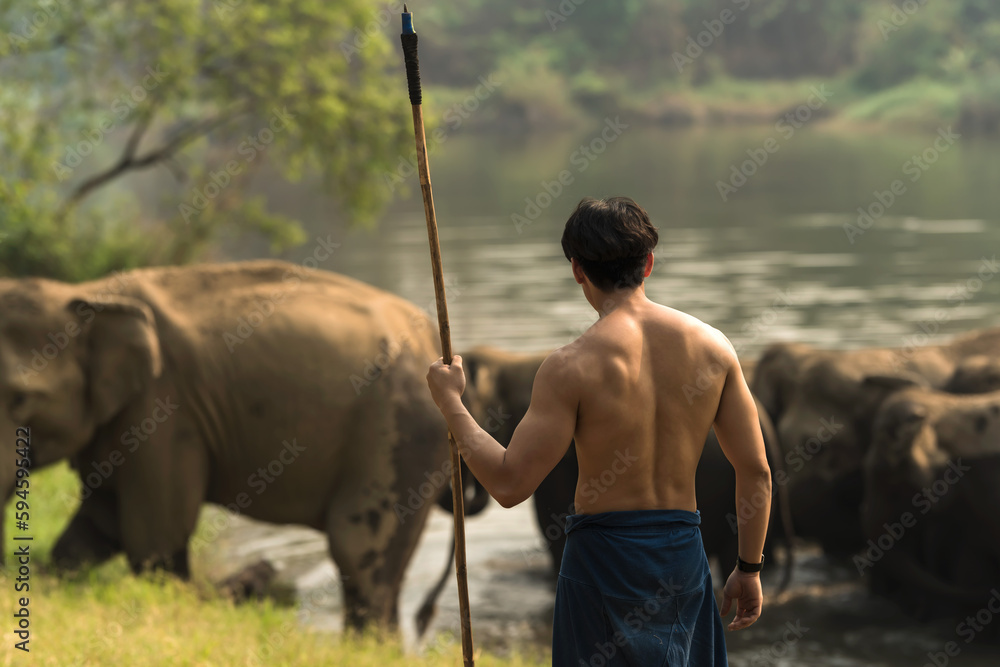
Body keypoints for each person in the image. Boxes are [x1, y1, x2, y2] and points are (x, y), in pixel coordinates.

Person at [426, 196, 771, 666]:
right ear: (648, 263)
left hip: (602, 562)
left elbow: (508, 484)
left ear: (577, 270)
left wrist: (451, 402)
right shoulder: (715, 348)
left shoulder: (570, 367)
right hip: (681, 557)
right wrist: (748, 568)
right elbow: (756, 471)